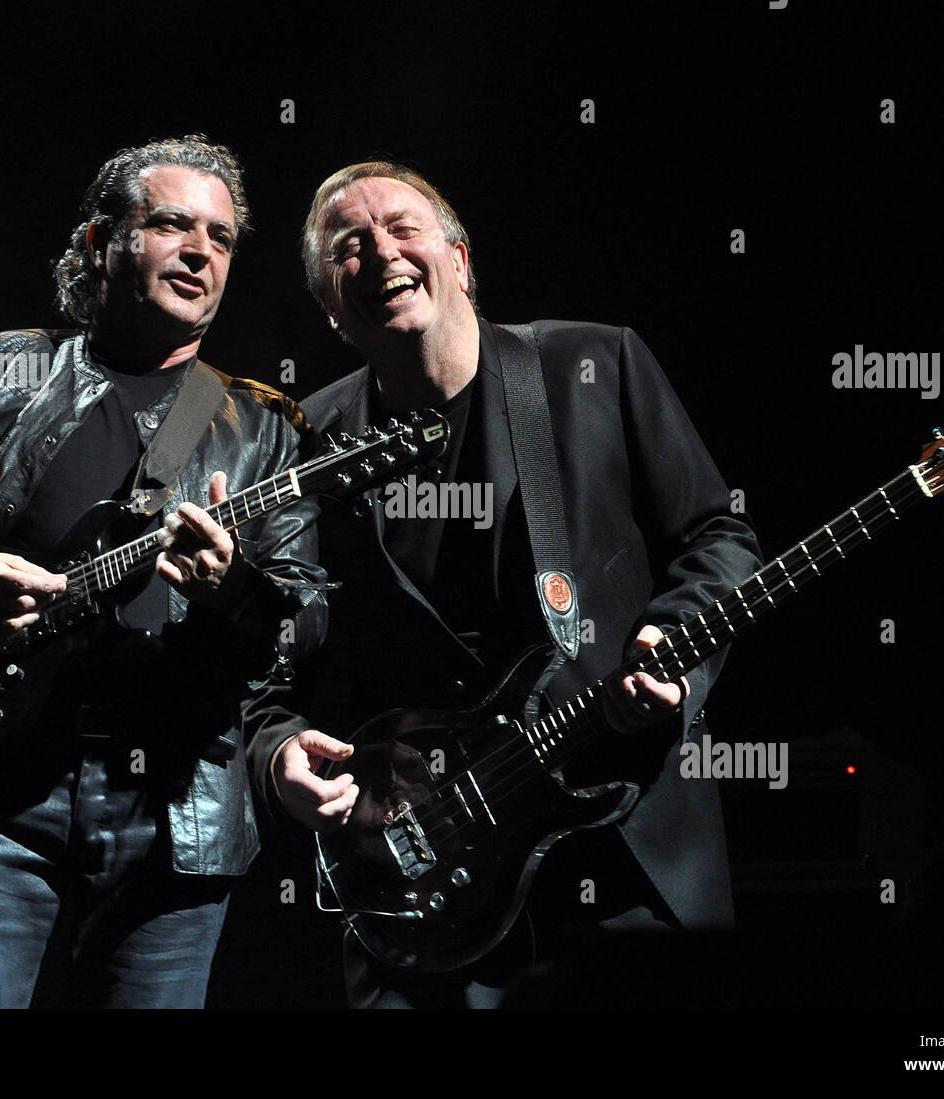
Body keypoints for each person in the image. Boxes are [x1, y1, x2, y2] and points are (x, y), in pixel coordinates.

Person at [0, 135, 326, 1008]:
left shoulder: (267, 427)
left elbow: (305, 617)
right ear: (98, 243)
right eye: (170, 224)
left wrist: (233, 588)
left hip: (178, 814)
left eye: (222, 237)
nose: (200, 250)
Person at [266, 161, 763, 1007]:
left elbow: (717, 534)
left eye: (402, 225)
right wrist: (277, 751)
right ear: (330, 308)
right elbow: (278, 653)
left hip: (620, 840)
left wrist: (674, 649)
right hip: (427, 884)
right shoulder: (306, 442)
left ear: (460, 259)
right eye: (349, 246)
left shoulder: (593, 362)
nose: (380, 249)